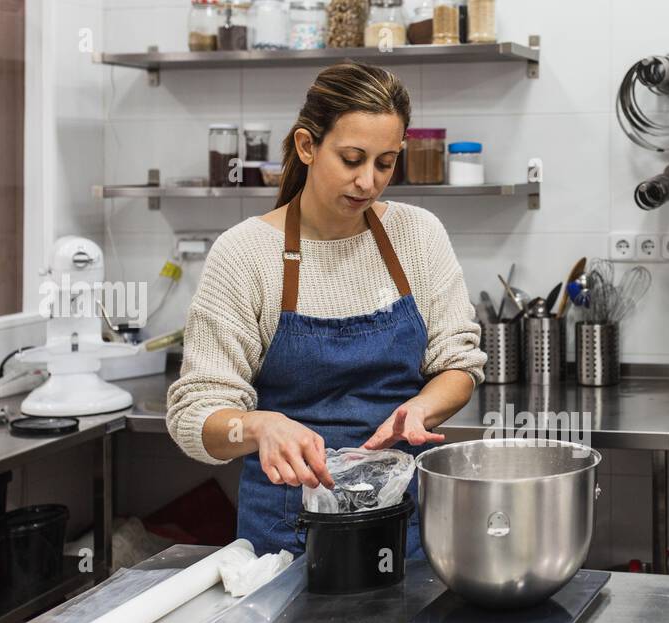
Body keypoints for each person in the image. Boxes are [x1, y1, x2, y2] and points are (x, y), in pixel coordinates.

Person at [166, 63, 485, 559]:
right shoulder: (245, 254)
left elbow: (459, 364)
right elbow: (195, 416)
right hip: (284, 540)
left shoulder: (417, 236)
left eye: (385, 162)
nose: (368, 182)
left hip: (402, 523)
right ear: (307, 146)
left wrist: (422, 407)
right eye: (352, 158)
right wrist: (259, 426)